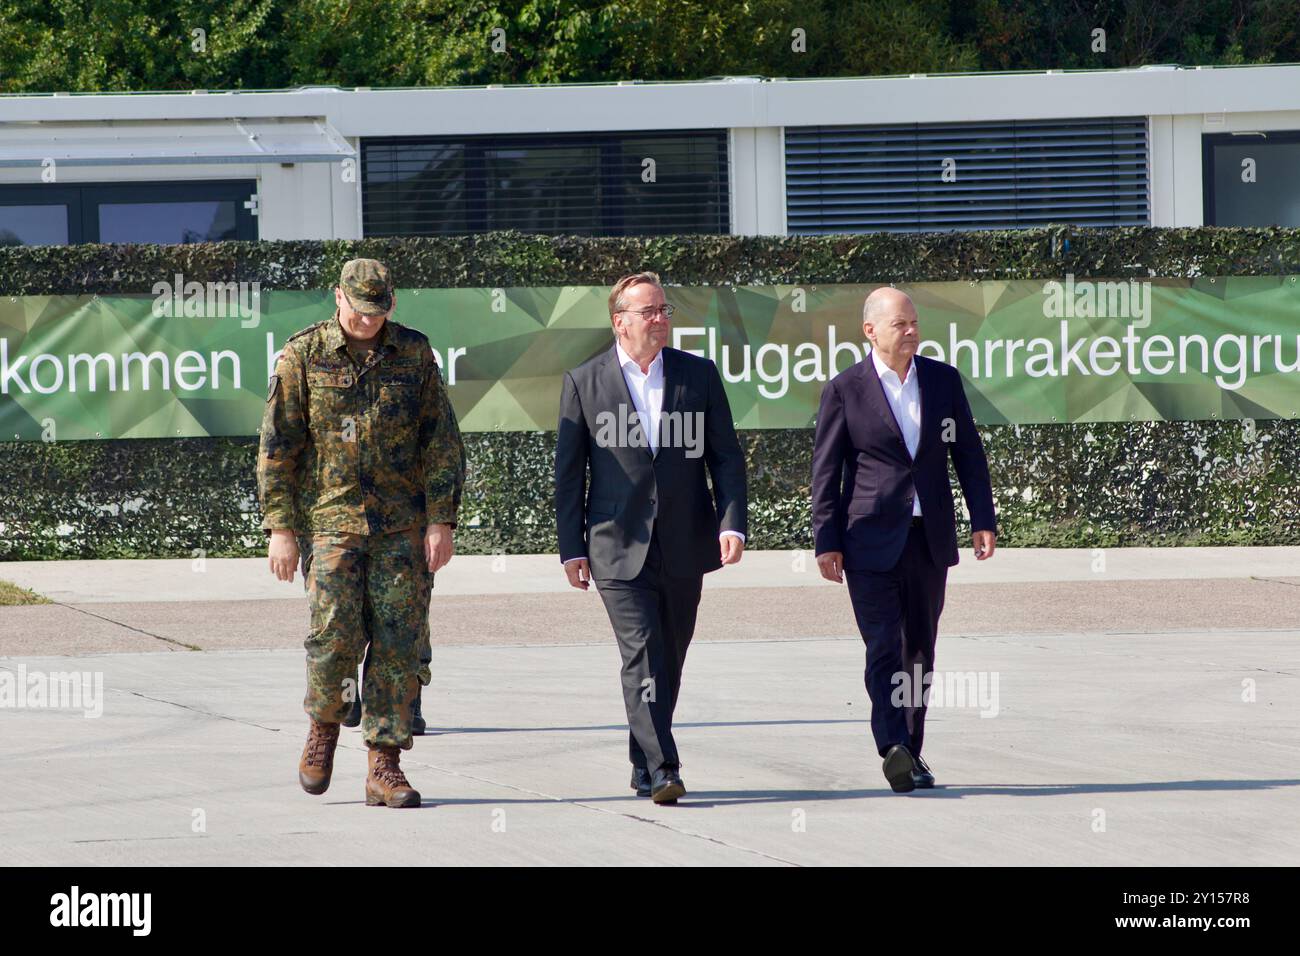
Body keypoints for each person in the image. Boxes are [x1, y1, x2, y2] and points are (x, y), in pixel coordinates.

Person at [258, 258, 465, 808]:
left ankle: (384, 765)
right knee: (334, 638)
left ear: (390, 305)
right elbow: (279, 446)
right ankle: (323, 728)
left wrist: (441, 519)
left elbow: (440, 441)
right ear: (338, 299)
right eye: (359, 309)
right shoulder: (302, 354)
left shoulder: (415, 353)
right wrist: (280, 527)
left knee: (398, 647)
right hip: (330, 524)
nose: (368, 321)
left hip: (402, 526)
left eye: (378, 311)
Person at [555, 271, 748, 804]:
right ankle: (665, 767)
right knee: (643, 653)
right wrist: (571, 547)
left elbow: (726, 457)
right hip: (616, 545)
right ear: (621, 322)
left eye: (665, 311)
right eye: (651, 312)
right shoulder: (583, 381)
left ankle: (643, 763)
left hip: (687, 540)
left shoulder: (699, 375)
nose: (663, 319)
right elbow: (570, 475)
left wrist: (732, 522)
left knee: (671, 657)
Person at [811, 287, 997, 793]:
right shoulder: (845, 389)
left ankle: (910, 751)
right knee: (883, 646)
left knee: (920, 649)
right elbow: (826, 472)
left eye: (914, 322)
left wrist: (983, 517)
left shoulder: (941, 380)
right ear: (870, 330)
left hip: (928, 539)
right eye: (901, 324)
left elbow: (969, 456)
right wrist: (825, 539)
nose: (912, 331)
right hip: (867, 538)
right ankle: (891, 742)